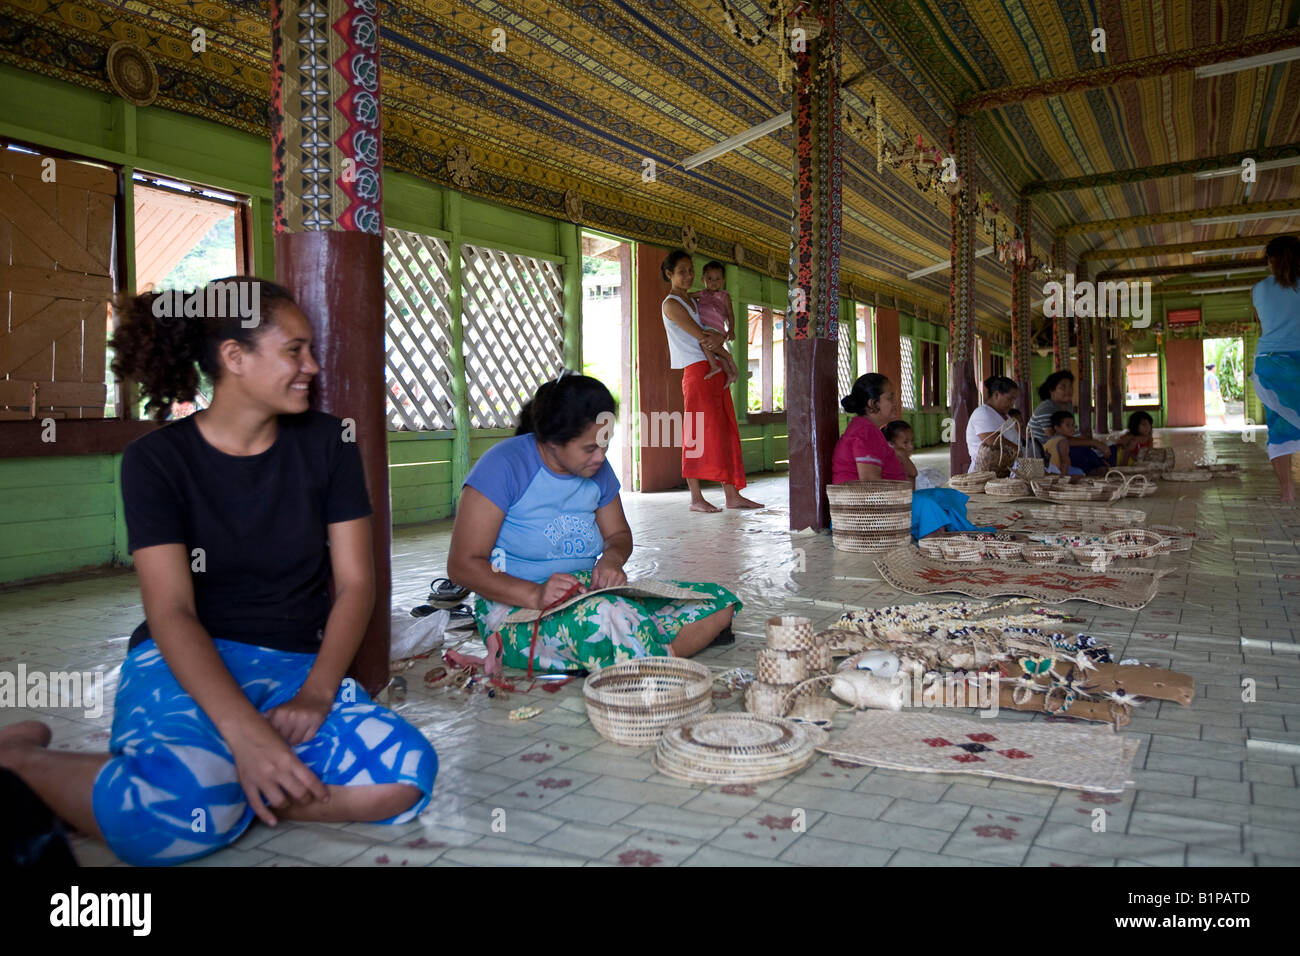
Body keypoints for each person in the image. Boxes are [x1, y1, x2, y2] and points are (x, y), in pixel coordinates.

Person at [0, 278, 437, 866]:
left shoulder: (330, 443)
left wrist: (315, 692)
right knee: (172, 820)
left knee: (405, 777)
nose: (311, 365)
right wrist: (248, 736)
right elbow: (172, 611)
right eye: (294, 350)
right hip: (185, 660)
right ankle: (21, 759)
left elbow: (357, 584)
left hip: (291, 667)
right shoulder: (156, 461)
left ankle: (229, 796)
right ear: (235, 358)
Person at [446, 373, 741, 674]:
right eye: (589, 448)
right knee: (609, 616)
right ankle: (644, 657)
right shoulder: (503, 466)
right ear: (550, 440)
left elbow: (617, 534)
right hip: (513, 608)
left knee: (716, 600)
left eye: (605, 444)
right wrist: (535, 595)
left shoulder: (596, 470)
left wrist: (611, 560)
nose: (600, 457)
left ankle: (643, 656)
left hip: (585, 595)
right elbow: (462, 565)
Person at [832, 373, 992, 539]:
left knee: (945, 495)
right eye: (890, 397)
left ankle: (948, 531)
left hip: (880, 503)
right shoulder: (865, 432)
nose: (896, 402)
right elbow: (871, 485)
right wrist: (905, 496)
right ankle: (936, 542)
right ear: (873, 404)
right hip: (863, 512)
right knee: (928, 506)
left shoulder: (870, 430)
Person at [660, 250, 761, 512]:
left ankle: (732, 494)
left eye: (691, 271)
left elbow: (714, 332)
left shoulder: (695, 302)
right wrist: (728, 358)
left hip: (714, 370)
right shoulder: (671, 304)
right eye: (682, 271)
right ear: (669, 274)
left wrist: (723, 355)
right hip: (697, 371)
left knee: (725, 429)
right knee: (696, 433)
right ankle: (696, 498)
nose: (688, 276)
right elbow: (703, 336)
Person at [1250, 234, 1300, 504]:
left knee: (1280, 425)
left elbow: (1263, 325)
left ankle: (1287, 491)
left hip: (1271, 362)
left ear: (1270, 260)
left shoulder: (1258, 289)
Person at [1027, 370, 1112, 472]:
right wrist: (1094, 443)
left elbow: (1073, 435)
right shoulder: (1046, 408)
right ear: (1051, 390)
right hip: (1047, 454)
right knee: (1082, 453)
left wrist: (1094, 443)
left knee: (1110, 450)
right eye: (1063, 387)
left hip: (1065, 447)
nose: (1069, 390)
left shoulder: (1066, 406)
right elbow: (1057, 440)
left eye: (1070, 386)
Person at [695, 261, 741, 385]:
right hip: (705, 326)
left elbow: (731, 313)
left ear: (723, 281)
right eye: (709, 278)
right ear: (702, 280)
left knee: (705, 342)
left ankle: (718, 363)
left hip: (716, 328)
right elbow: (686, 296)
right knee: (716, 352)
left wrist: (731, 329)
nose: (713, 282)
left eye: (717, 279)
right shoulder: (702, 293)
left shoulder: (723, 296)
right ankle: (730, 374)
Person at [965, 375, 1020, 473]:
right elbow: (994, 441)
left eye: (1014, 400)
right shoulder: (982, 413)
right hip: (985, 473)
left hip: (1005, 470)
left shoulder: (1005, 415)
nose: (1012, 403)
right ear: (996, 395)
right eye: (1010, 399)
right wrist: (1020, 452)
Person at [1043, 410, 1086, 475]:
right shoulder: (1062, 441)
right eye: (1068, 425)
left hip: (1048, 472)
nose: (1072, 428)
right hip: (1058, 472)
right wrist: (1063, 479)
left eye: (1073, 425)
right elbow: (1065, 462)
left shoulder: (1050, 440)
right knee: (1080, 472)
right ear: (1057, 428)